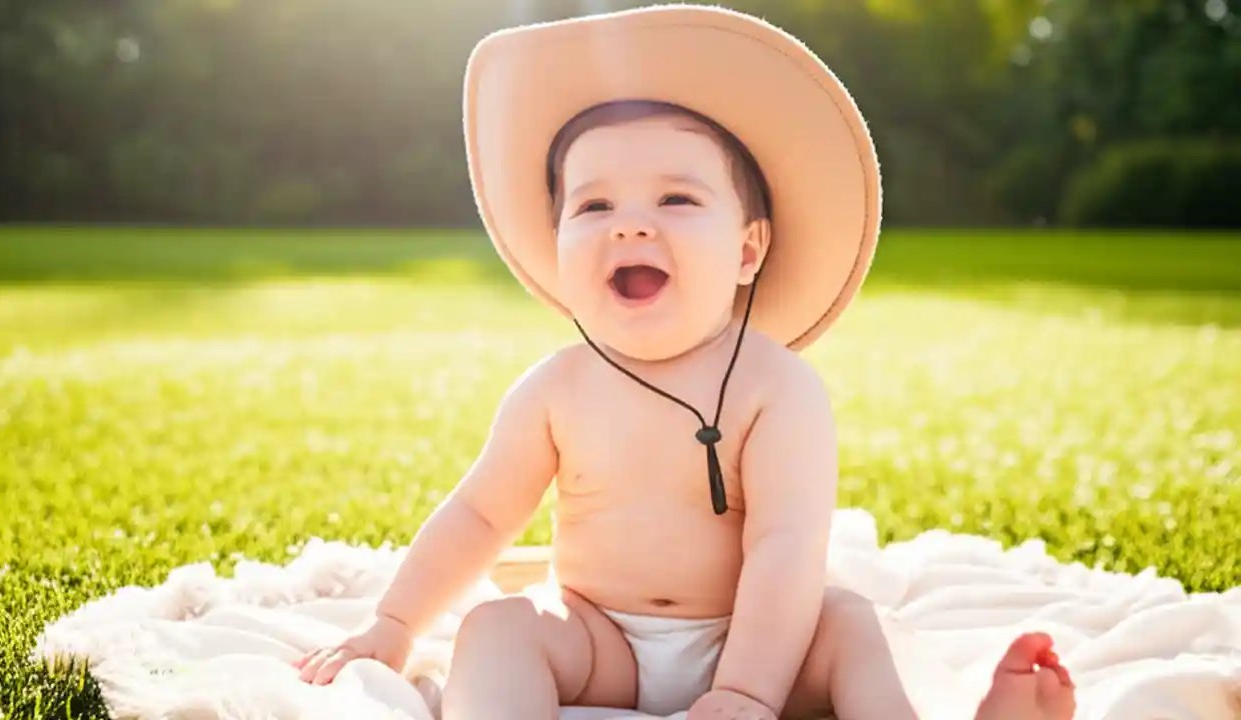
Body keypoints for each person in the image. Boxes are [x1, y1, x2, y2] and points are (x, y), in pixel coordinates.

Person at [296, 5, 1076, 719]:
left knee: (851, 625)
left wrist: (745, 690)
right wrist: (394, 624)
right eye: (595, 206)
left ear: (746, 249)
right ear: (559, 241)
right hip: (601, 639)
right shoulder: (556, 389)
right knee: (500, 627)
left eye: (675, 200)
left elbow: (785, 546)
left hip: (755, 636)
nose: (631, 226)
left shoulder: (776, 388)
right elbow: (481, 514)